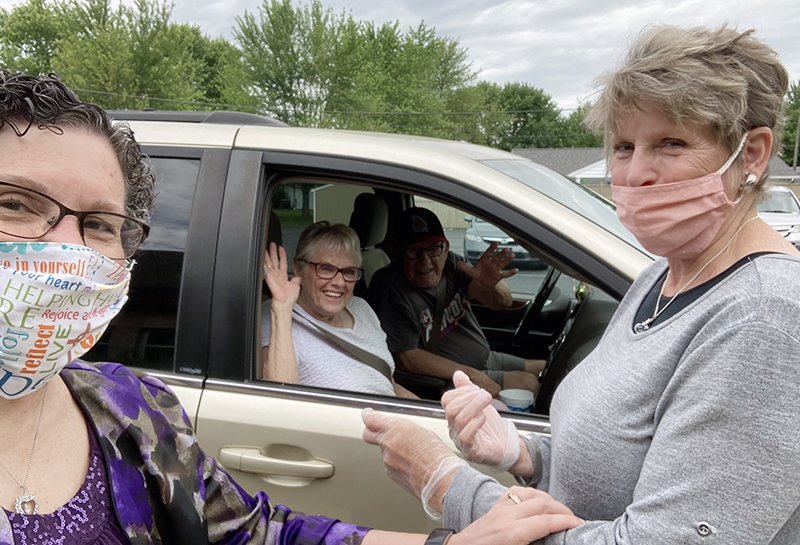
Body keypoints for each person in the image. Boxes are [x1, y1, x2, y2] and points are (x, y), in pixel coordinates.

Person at [0, 71, 584, 544]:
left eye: (100, 223)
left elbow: (257, 531)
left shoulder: (132, 412)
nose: (66, 251)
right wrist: (281, 307)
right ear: (298, 270)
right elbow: (278, 388)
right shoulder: (271, 317)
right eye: (17, 205)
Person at [363, 25, 800, 543]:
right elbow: (615, 469)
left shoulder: (764, 319)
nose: (635, 173)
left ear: (750, 155)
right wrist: (522, 454)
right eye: (622, 146)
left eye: (670, 143)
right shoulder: (660, 276)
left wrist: (448, 484)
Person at [368, 207, 544, 398]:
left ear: (446, 249)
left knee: (545, 368)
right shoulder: (388, 285)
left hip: (485, 359)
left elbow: (500, 303)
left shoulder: (452, 264)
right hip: (452, 379)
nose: (424, 260)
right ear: (396, 254)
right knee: (530, 385)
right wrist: (471, 375)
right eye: (412, 251)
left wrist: (490, 285)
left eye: (433, 249)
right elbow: (406, 358)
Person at [261, 221, 417, 398]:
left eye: (349, 272)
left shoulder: (361, 308)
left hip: (391, 421)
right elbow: (279, 401)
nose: (339, 282)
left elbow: (388, 384)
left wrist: (436, 416)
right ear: (298, 268)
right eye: (325, 269)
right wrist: (282, 307)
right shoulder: (275, 318)